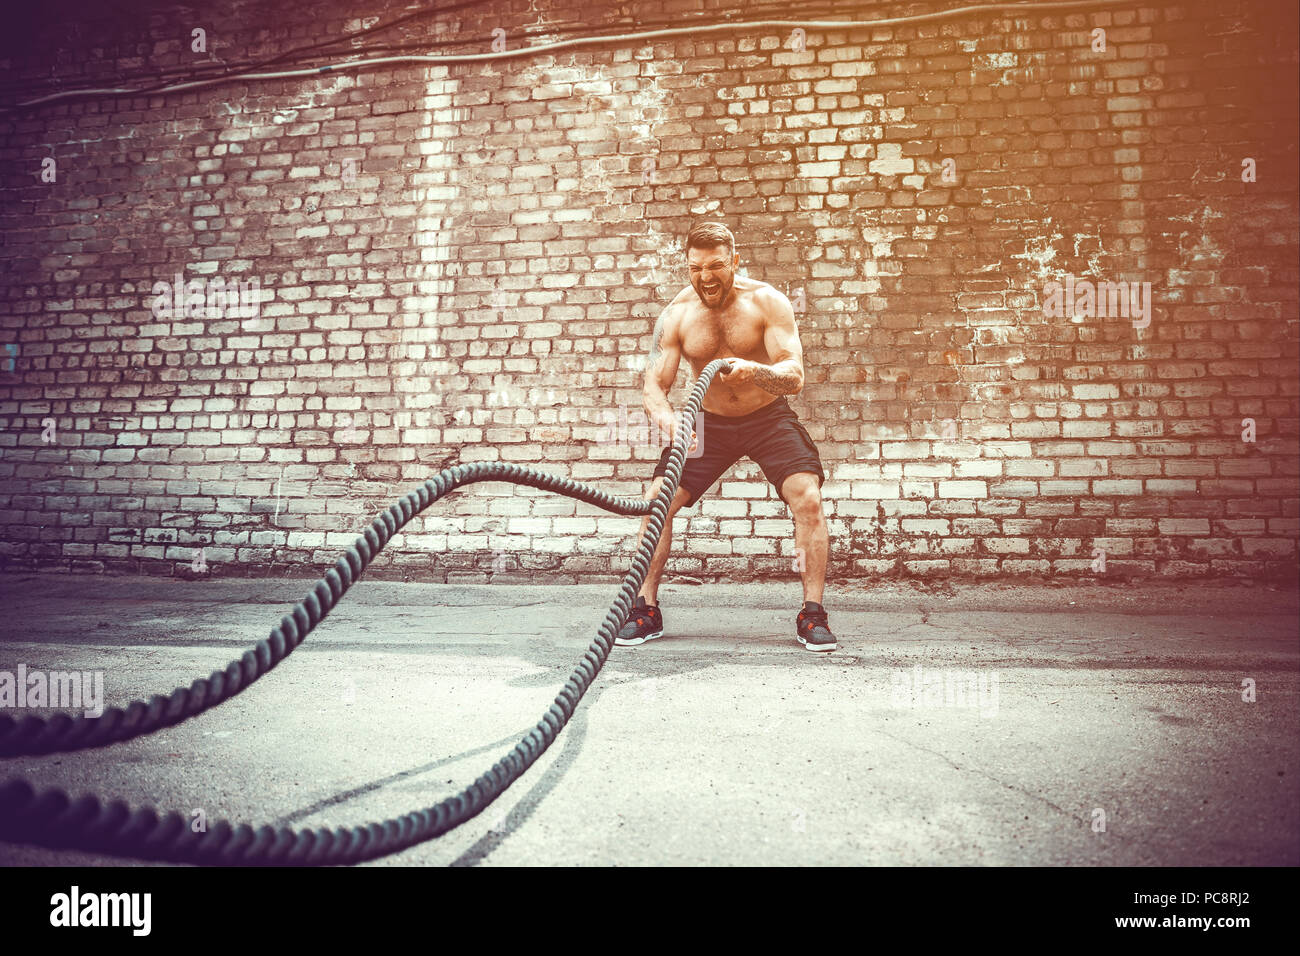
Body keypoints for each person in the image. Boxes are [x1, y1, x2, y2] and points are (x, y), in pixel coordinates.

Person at [615, 222, 837, 652]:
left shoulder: (767, 303)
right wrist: (671, 424)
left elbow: (794, 377)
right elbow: (653, 388)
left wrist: (755, 370)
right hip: (708, 421)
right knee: (658, 498)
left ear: (734, 261)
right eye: (696, 268)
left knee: (807, 497)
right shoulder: (677, 315)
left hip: (766, 417)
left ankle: (812, 615)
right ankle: (645, 609)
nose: (707, 277)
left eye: (717, 265)